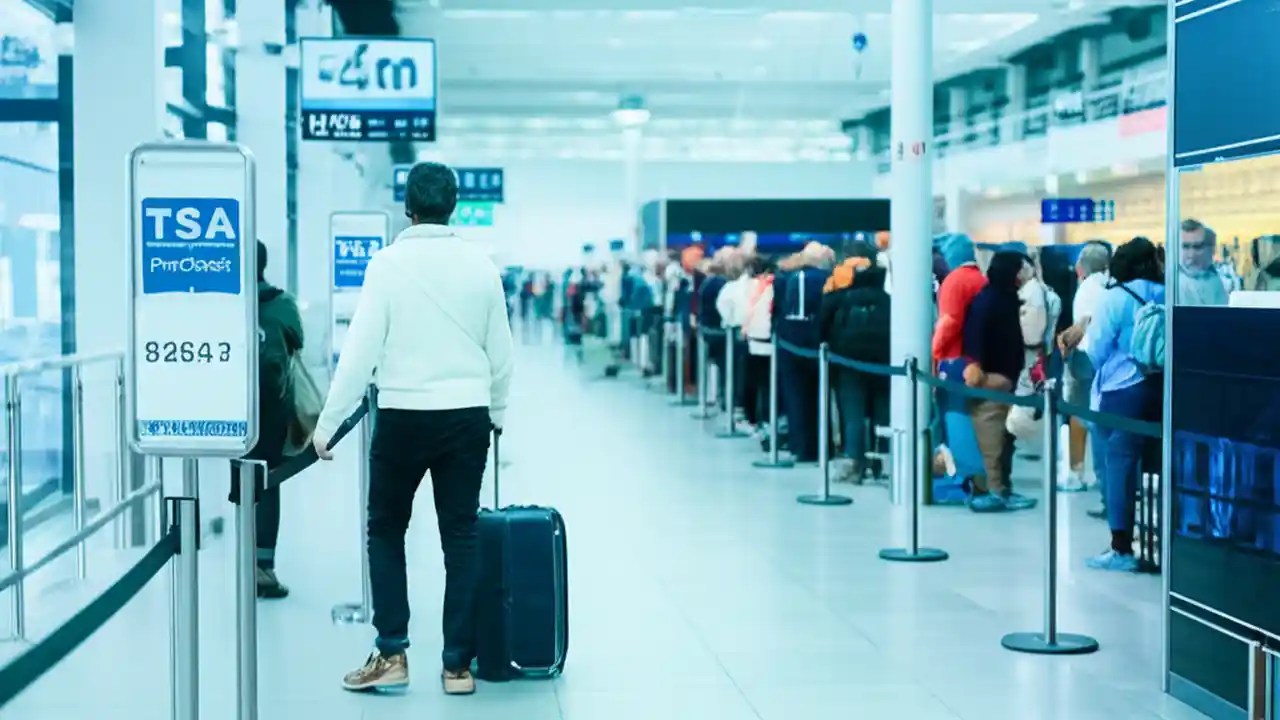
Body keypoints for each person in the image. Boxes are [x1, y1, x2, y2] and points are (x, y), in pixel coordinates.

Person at [313, 162, 515, 695]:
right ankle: (457, 666)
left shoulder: (387, 264)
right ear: (454, 206)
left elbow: (359, 352)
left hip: (403, 417)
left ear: (408, 207)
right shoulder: (481, 267)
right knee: (462, 538)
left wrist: (328, 424)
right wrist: (496, 411)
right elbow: (503, 354)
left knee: (385, 530)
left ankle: (392, 651)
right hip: (466, 416)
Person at [1084, 237, 1164, 572]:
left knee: (1119, 466)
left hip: (1121, 388)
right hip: (1161, 386)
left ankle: (1121, 547)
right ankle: (1157, 542)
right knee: (1157, 466)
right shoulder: (1166, 292)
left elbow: (1097, 348)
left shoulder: (1114, 298)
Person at [237, 240, 304, 599]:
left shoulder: (227, 305)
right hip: (274, 406)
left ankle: (243, 563)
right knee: (269, 481)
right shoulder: (282, 303)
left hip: (233, 408)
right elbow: (298, 340)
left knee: (241, 480)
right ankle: (264, 568)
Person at [961, 251, 1028, 513]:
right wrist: (983, 374)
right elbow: (976, 340)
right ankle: (992, 490)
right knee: (990, 442)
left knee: (1002, 441)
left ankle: (1000, 488)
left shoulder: (1004, 299)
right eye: (1021, 269)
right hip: (992, 381)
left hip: (1004, 381)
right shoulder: (989, 301)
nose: (1025, 274)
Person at [820, 242, 889, 483]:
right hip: (883, 365)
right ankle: (883, 462)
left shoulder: (840, 298)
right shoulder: (888, 300)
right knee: (882, 413)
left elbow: (821, 327)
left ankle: (853, 463)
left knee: (853, 414)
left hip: (847, 363)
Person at [1057, 241, 1111, 499]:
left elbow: (1083, 325)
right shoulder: (1109, 286)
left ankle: (1076, 471)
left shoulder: (1087, 289)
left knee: (1078, 415)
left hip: (1084, 357)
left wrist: (1065, 344)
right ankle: (1098, 473)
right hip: (1105, 358)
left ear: (1080, 268)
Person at [775, 242, 834, 463]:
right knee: (820, 395)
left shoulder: (787, 278)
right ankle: (822, 446)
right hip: (818, 342)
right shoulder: (826, 279)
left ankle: (800, 445)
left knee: (795, 396)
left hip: (789, 341)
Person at [1178, 219, 1229, 307]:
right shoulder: (1173, 284)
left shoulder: (1214, 279)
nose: (1192, 254)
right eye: (1185, 247)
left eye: (1197, 247)